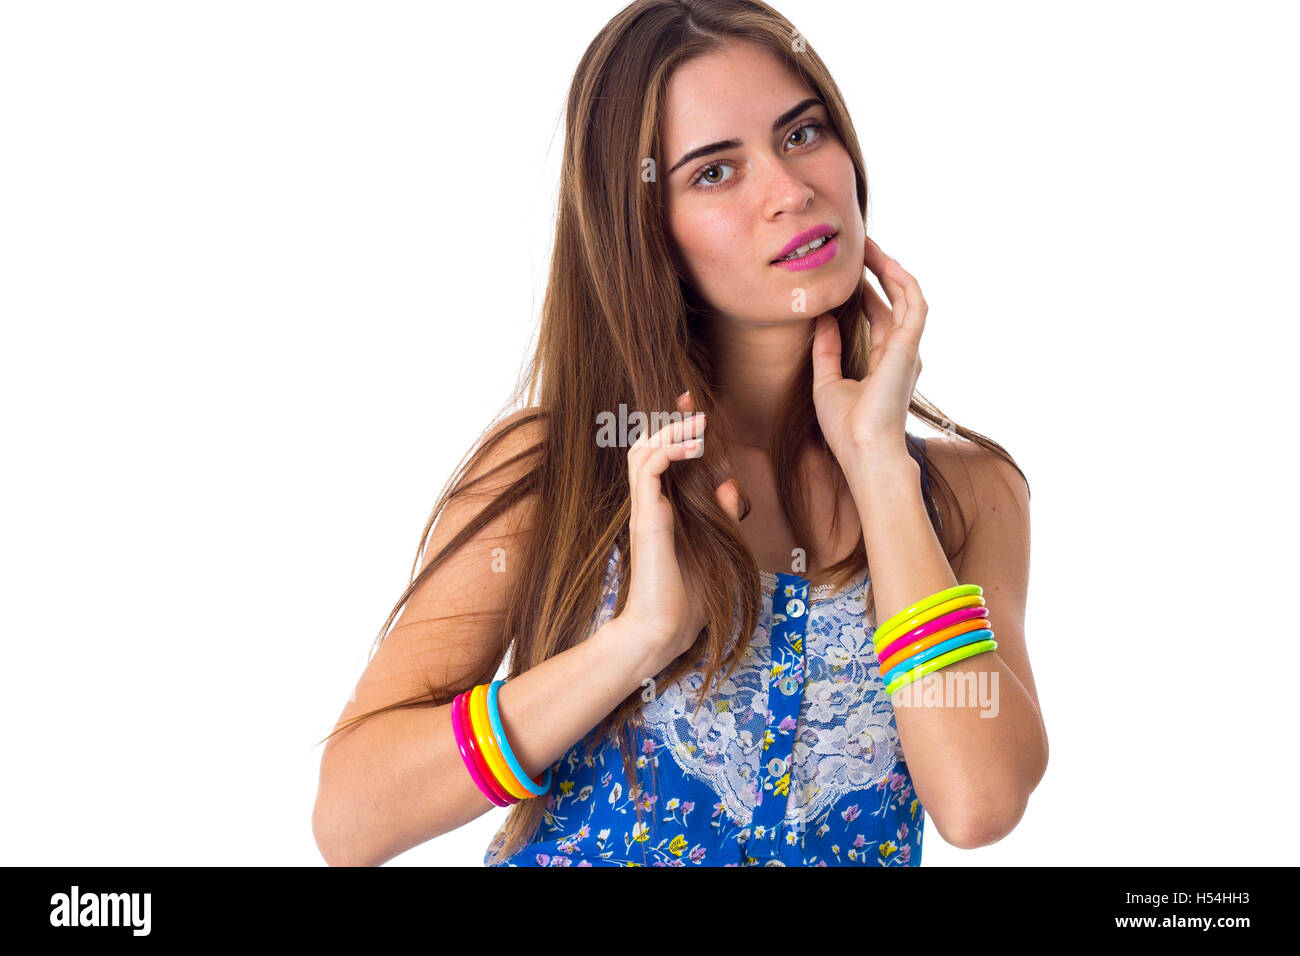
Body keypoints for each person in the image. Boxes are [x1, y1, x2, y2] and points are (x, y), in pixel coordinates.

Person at [311, 0, 1048, 867]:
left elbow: (977, 803)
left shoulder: (966, 495)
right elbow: (350, 819)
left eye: (802, 134)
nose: (790, 190)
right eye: (713, 172)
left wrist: (880, 465)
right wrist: (636, 641)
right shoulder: (561, 470)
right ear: (642, 230)